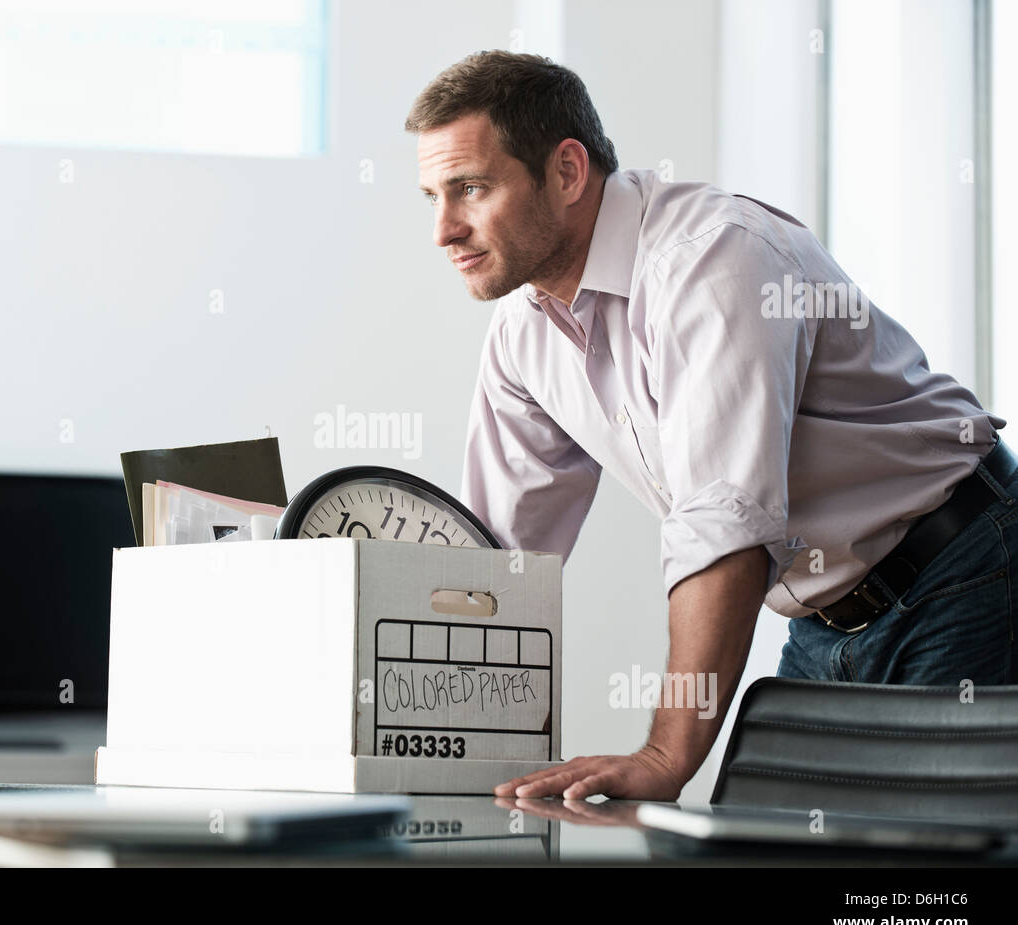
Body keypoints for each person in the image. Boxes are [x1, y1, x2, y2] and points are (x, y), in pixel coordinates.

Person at [405, 50, 1014, 802]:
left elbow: (725, 523)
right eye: (432, 195)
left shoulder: (713, 259)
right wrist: (412, 746)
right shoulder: (522, 335)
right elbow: (496, 566)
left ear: (566, 172)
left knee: (925, 889)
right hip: (826, 617)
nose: (443, 229)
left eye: (469, 188)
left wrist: (666, 754)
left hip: (964, 564)